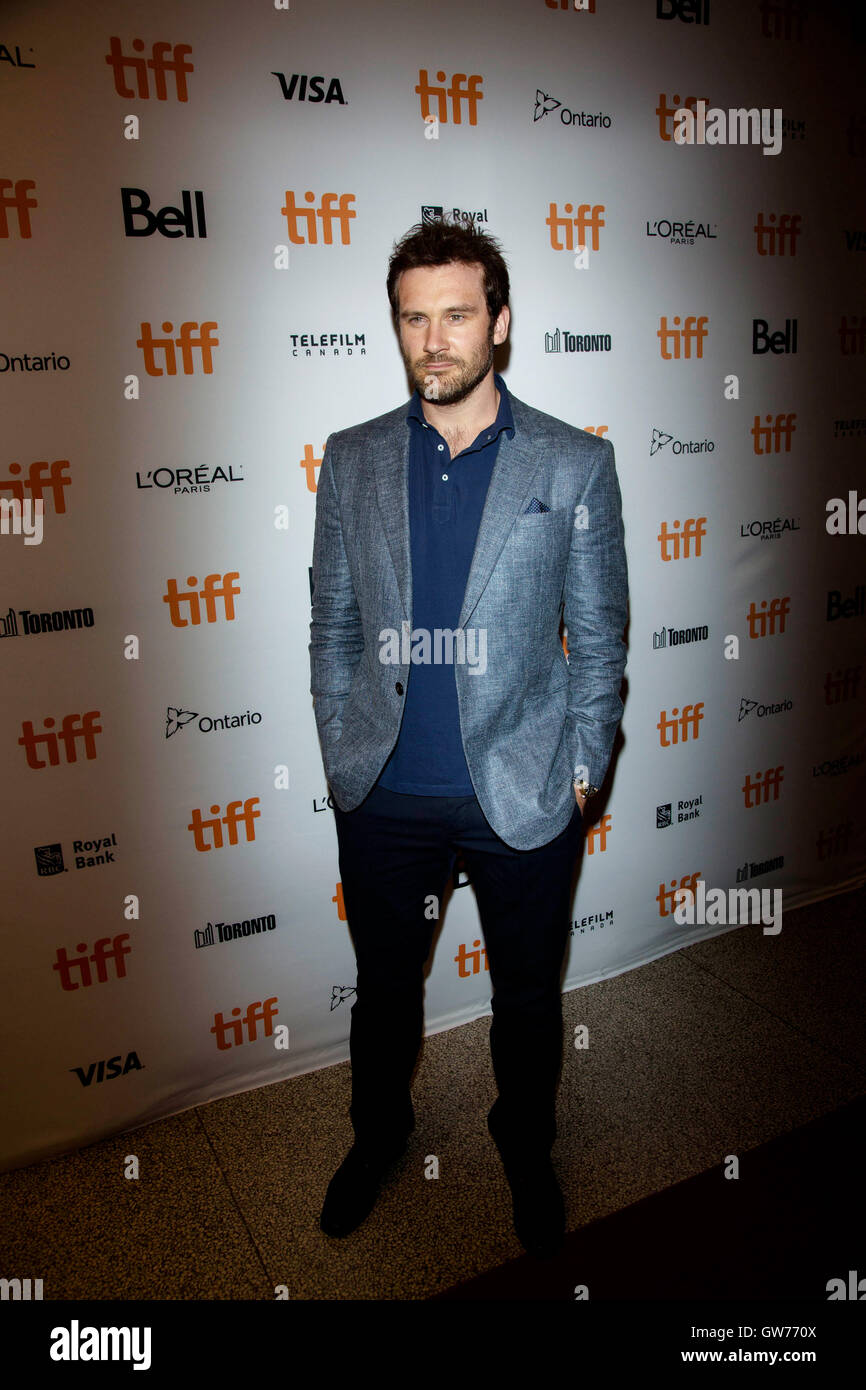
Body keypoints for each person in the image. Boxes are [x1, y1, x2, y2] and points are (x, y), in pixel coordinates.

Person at [309, 216, 628, 1259]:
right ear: (396, 328)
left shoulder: (572, 463)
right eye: (414, 318)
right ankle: (378, 1134)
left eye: (455, 314)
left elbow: (599, 631)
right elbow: (336, 625)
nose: (433, 338)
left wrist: (585, 765)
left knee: (527, 998)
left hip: (524, 789)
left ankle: (523, 1146)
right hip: (386, 792)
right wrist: (338, 751)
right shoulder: (351, 459)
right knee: (384, 994)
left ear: (498, 322)